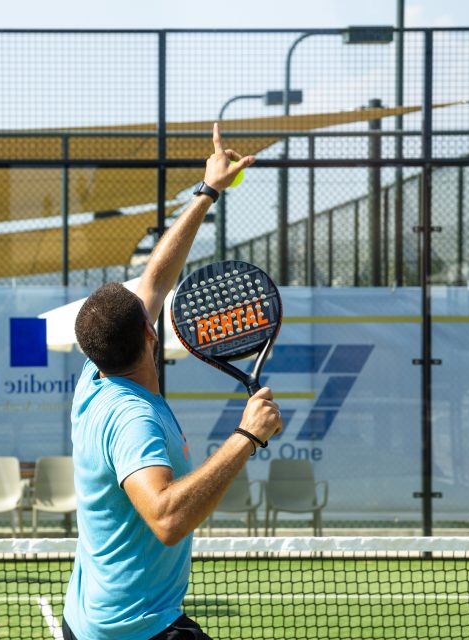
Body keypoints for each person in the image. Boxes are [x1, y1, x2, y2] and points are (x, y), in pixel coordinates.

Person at [62, 123, 284, 640]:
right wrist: (246, 437)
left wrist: (207, 192)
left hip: (93, 619)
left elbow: (155, 280)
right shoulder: (132, 419)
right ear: (149, 333)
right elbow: (165, 518)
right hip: (135, 631)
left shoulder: (94, 379)